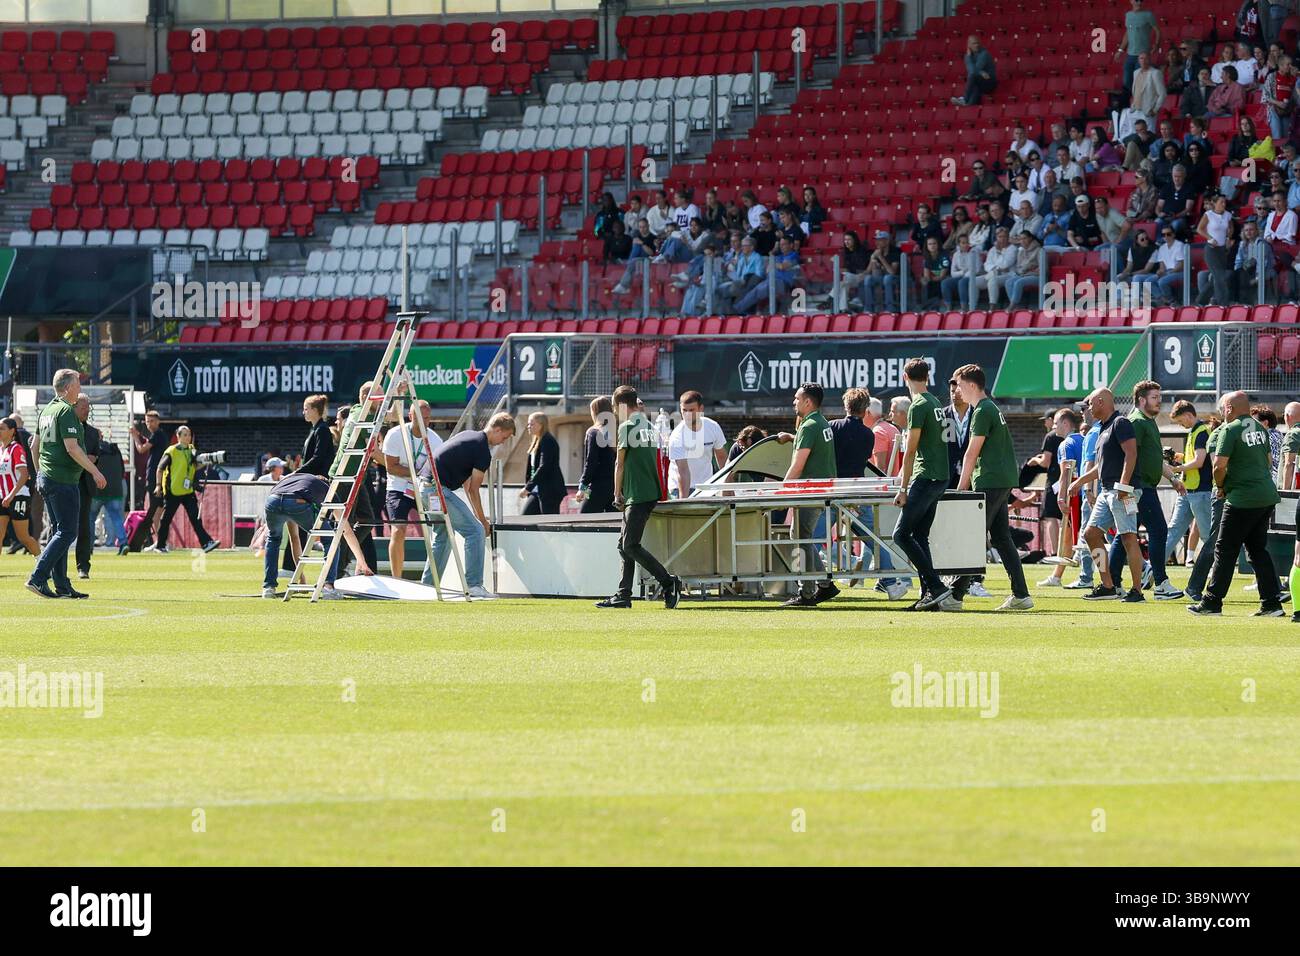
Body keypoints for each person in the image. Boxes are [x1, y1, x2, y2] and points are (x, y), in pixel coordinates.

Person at [946, 364, 1032, 611]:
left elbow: (972, 453)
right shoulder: (988, 408)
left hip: (990, 480)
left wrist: (961, 487)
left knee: (971, 538)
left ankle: (956, 594)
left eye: (960, 385)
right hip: (1001, 480)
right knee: (1002, 538)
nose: (957, 390)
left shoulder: (982, 411)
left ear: (971, 385)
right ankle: (1021, 594)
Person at [1190, 391, 1284, 616]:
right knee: (1257, 550)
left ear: (1229, 409)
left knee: (1224, 549)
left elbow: (1218, 467)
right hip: (1266, 496)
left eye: (1223, 408)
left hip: (1242, 498)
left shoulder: (1229, 430)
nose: (1221, 412)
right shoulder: (1261, 429)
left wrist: (1221, 487)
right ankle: (1272, 603)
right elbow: (1269, 461)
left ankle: (1212, 602)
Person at [596, 386, 681, 609]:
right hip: (650, 490)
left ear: (622, 406)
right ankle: (623, 594)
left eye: (615, 408)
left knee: (630, 545)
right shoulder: (651, 427)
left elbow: (620, 463)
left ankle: (668, 582)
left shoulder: (627, 427)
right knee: (624, 545)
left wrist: (617, 493)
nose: (615, 412)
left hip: (637, 493)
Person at [27, 369, 106, 599]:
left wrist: (39, 473)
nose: (80, 389)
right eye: (78, 384)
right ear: (68, 387)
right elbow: (73, 449)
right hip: (63, 481)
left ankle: (62, 585)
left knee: (57, 532)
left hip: (48, 478)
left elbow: (34, 447)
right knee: (67, 532)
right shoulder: (65, 411)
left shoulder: (47, 410)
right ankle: (38, 577)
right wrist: (95, 471)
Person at [1108, 381, 1185, 599]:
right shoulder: (1136, 422)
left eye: (1159, 396)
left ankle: (1113, 582)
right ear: (1141, 400)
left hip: (1144, 487)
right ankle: (1160, 583)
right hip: (1139, 488)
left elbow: (1154, 458)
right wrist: (1128, 486)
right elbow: (1128, 456)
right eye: (1154, 397)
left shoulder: (1148, 422)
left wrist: (1172, 478)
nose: (1159, 401)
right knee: (1157, 530)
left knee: (1126, 535)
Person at [428, 412, 516, 600]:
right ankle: (474, 586)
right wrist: (482, 521)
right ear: (497, 429)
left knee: (442, 536)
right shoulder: (482, 450)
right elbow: (474, 489)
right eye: (504, 436)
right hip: (437, 490)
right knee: (475, 531)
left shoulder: (468, 435)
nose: (503, 442)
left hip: (424, 489)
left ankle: (427, 586)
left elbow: (468, 486)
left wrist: (478, 515)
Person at [1069, 388, 1145, 601]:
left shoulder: (1121, 423)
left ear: (1101, 402)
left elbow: (1131, 453)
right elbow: (1101, 466)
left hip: (1123, 491)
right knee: (1090, 534)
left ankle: (1137, 590)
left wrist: (1123, 484)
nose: (1089, 408)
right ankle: (1108, 585)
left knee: (1129, 536)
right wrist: (1080, 481)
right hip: (1106, 490)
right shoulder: (1102, 428)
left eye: (1091, 404)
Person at [891, 359, 952, 610]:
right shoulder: (936, 402)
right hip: (940, 475)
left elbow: (911, 450)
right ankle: (930, 595)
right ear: (927, 377)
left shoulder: (918, 405)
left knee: (901, 534)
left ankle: (936, 587)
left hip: (925, 476)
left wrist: (903, 488)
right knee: (920, 535)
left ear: (905, 377)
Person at [261, 470, 373, 600]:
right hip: (296, 502)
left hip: (272, 501)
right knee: (332, 539)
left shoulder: (296, 482)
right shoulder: (326, 490)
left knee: (273, 540)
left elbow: (295, 539)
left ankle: (268, 588)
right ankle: (328, 587)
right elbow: (345, 530)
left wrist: (300, 579)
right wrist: (362, 562)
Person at [777, 382, 840, 607]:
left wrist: (780, 492)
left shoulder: (808, 426)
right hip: (820, 490)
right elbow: (811, 448)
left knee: (801, 538)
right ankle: (824, 584)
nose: (793, 402)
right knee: (801, 536)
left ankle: (807, 592)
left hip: (809, 491)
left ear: (807, 401)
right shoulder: (820, 422)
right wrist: (792, 437)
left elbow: (798, 464)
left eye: (796, 398)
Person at [383, 399, 443, 580]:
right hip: (398, 488)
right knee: (398, 529)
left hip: (424, 488)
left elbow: (436, 471)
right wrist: (417, 472)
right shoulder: (395, 434)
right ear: (410, 416)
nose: (425, 422)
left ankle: (432, 578)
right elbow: (391, 467)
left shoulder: (435, 440)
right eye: (421, 418)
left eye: (428, 418)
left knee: (440, 528)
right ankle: (397, 579)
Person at [150, 426, 218, 554]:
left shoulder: (191, 450)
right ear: (178, 436)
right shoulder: (172, 451)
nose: (188, 437)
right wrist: (158, 485)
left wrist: (207, 462)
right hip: (173, 490)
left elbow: (195, 466)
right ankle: (160, 545)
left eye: (189, 435)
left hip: (187, 490)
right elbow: (160, 468)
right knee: (166, 519)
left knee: (195, 517)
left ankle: (206, 543)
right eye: (185, 435)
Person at [1166, 400, 1215, 566]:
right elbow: (1195, 460)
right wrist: (1180, 458)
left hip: (1201, 491)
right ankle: (1154, 566)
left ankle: (1215, 570)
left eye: (1180, 421)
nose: (1180, 425)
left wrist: (1176, 469)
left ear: (1188, 415)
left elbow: (1199, 461)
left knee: (1207, 535)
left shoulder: (1201, 432)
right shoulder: (1195, 431)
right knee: (1173, 530)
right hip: (1189, 491)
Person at [666, 390, 727, 498]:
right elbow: (683, 471)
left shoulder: (713, 426)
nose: (687, 414)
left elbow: (723, 459)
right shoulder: (676, 436)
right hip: (680, 489)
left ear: (701, 409)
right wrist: (683, 502)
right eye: (684, 410)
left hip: (706, 487)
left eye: (691, 410)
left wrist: (727, 488)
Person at [126, 409, 167, 551]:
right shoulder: (156, 436)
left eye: (152, 421)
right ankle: (160, 542)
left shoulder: (157, 435)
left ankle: (161, 543)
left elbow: (141, 449)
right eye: (147, 421)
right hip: (157, 477)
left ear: (158, 421)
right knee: (157, 511)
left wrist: (135, 437)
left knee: (155, 511)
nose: (149, 424)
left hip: (155, 478)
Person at [72, 395, 101, 580]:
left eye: (88, 408)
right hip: (65, 481)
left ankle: (83, 567)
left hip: (84, 484)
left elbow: (94, 456)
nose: (87, 411)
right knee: (58, 525)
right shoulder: (65, 426)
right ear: (74, 407)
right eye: (84, 408)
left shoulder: (92, 432)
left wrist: (85, 459)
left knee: (84, 526)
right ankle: (51, 566)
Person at [0, 416, 38, 557]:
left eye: (2, 428)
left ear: (12, 431)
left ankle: (44, 565)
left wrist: (11, 495)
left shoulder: (16, 449)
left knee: (23, 537)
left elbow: (24, 474)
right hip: (2, 497)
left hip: (18, 496)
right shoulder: (0, 449)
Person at [520, 412, 566, 514]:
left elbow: (544, 466)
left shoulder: (548, 441)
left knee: (549, 524)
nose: (529, 427)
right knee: (526, 518)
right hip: (536, 491)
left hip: (549, 491)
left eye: (532, 424)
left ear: (541, 425)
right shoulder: (537, 440)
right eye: (528, 424)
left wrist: (528, 487)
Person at [87, 432, 126, 554]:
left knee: (91, 517)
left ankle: (89, 546)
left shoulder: (91, 450)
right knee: (116, 517)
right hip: (115, 489)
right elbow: (122, 470)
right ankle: (123, 542)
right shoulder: (114, 449)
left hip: (97, 490)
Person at [577, 396, 616, 513]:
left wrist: (582, 487)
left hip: (597, 486)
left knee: (585, 518)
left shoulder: (593, 432)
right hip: (615, 487)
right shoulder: (615, 432)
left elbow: (591, 462)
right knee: (612, 524)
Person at [1116, 0, 1162, 94]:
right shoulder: (1128, 15)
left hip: (1143, 54)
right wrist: (1120, 50)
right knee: (1126, 81)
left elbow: (1157, 30)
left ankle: (1139, 102)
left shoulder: (1148, 15)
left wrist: (1156, 44)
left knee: (1139, 81)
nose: (1139, 2)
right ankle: (1133, 101)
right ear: (1131, 1)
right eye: (1137, 0)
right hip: (1130, 54)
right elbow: (1127, 33)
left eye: (1141, 0)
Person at [296, 394, 334, 477]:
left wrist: (297, 472)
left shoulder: (322, 429)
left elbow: (318, 457)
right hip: (311, 477)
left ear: (314, 410)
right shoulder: (315, 429)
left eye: (306, 409)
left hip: (318, 479)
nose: (303, 412)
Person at [952, 34, 996, 106]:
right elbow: (971, 71)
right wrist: (981, 72)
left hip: (989, 82)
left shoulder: (984, 54)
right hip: (978, 83)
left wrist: (978, 71)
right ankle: (968, 107)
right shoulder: (967, 56)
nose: (977, 45)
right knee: (975, 88)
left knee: (973, 77)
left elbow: (973, 72)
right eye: (974, 43)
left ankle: (964, 99)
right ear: (969, 45)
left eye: (978, 43)